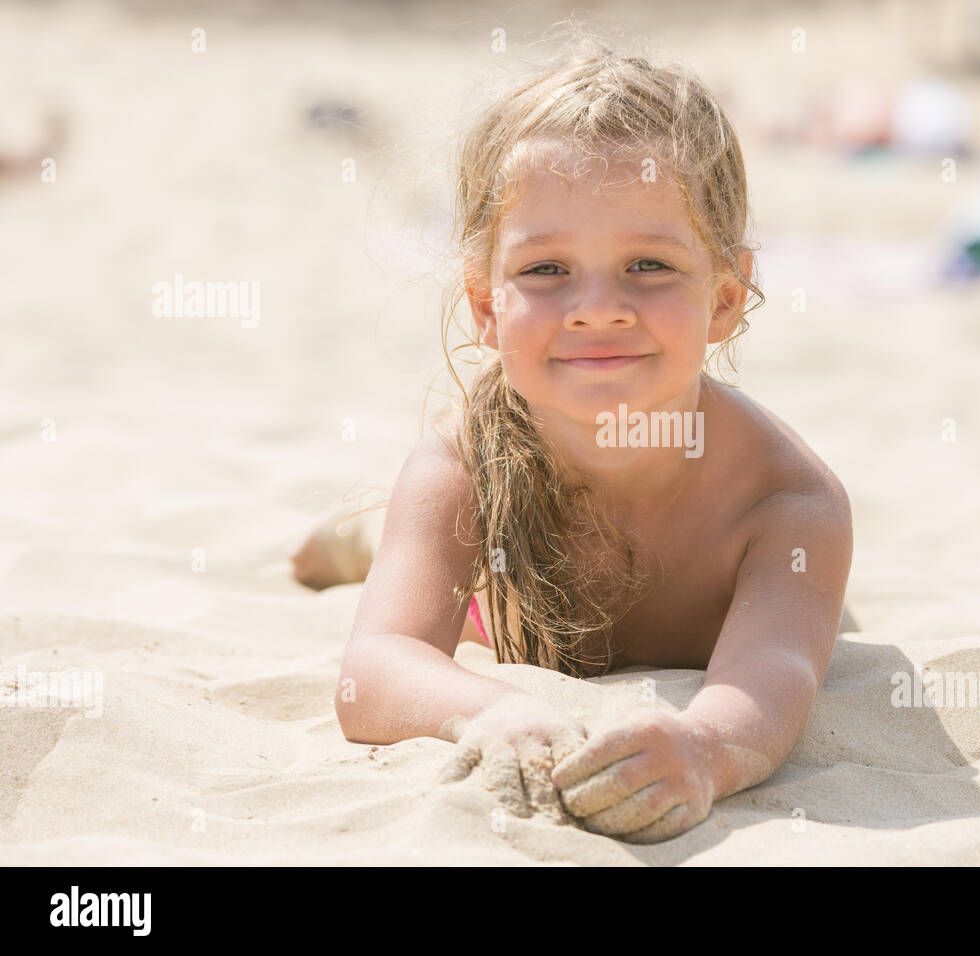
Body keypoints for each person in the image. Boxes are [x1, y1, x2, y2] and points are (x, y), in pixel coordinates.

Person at [293, 34, 853, 843]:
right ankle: (360, 537)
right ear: (487, 307)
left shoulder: (787, 504)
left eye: (649, 266)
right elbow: (375, 672)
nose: (596, 307)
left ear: (727, 298)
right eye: (547, 270)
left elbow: (774, 678)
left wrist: (702, 747)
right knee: (390, 545)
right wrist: (491, 713)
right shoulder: (460, 467)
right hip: (486, 598)